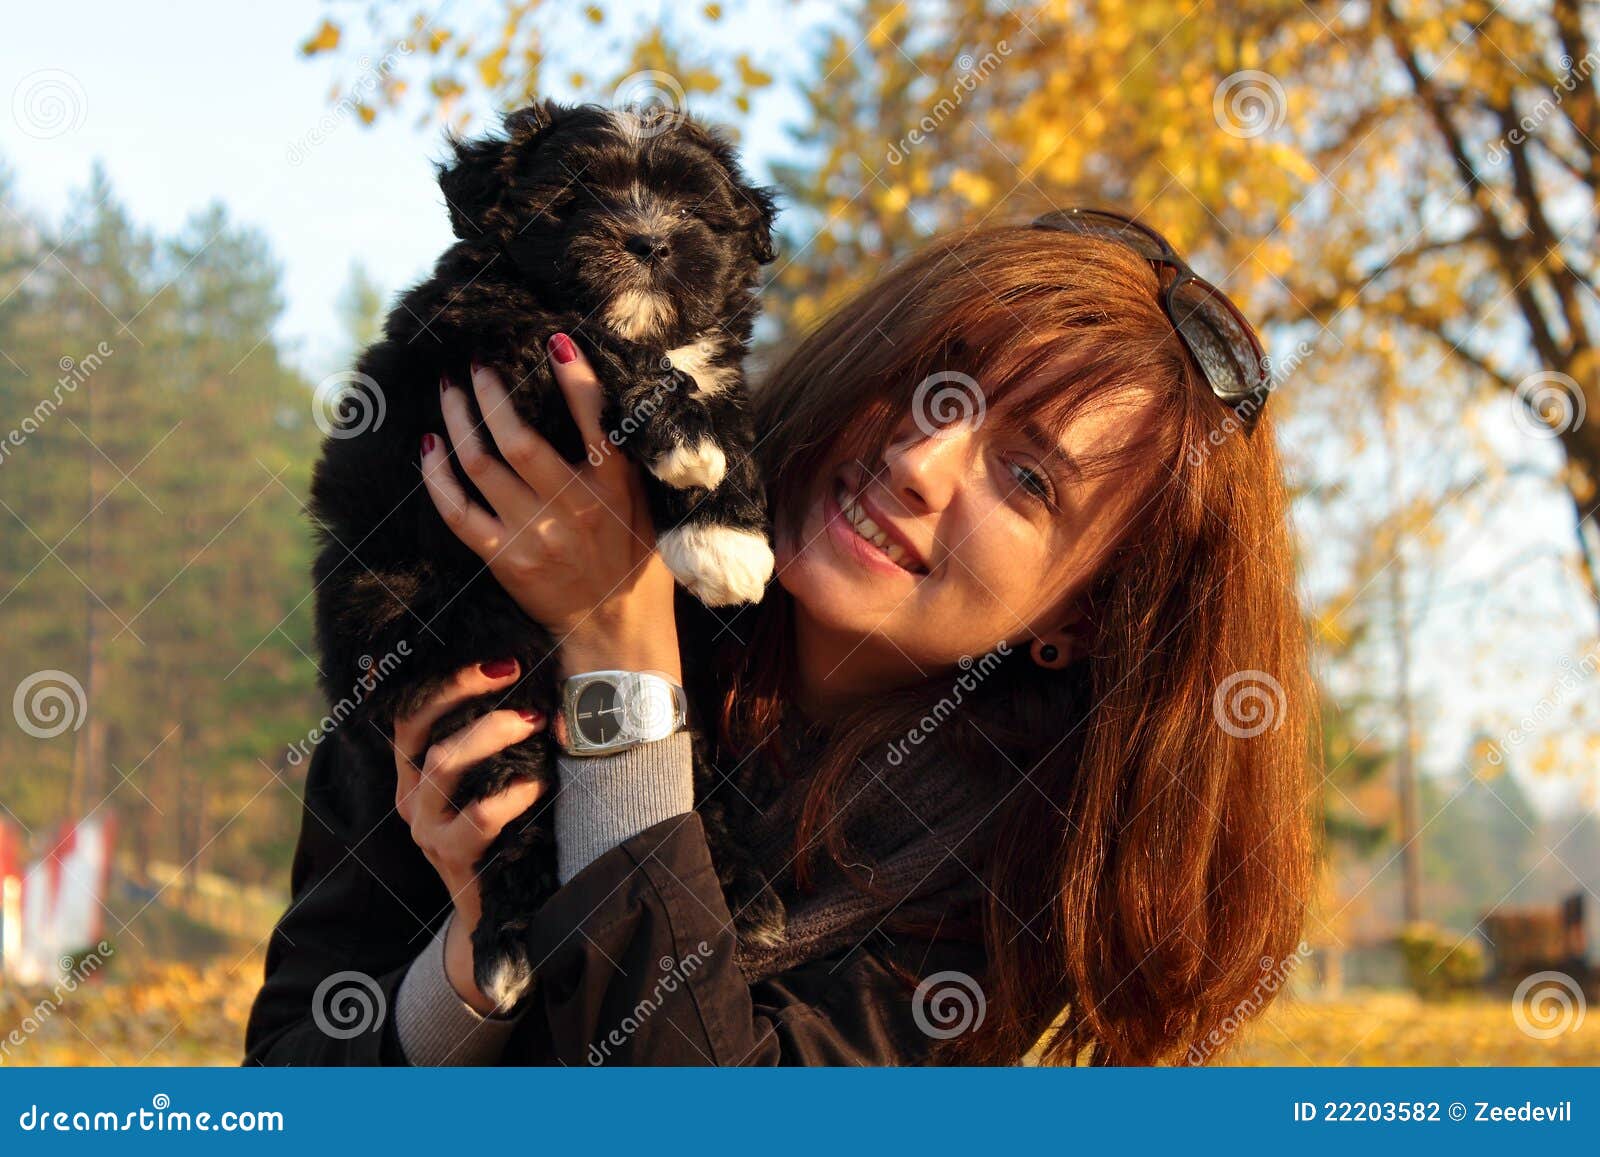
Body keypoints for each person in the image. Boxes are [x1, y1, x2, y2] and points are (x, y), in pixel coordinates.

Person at [245, 211, 1315, 1066]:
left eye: (1026, 476)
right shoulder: (486, 590)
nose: (921, 458)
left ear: (1079, 617)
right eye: (935, 381)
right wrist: (475, 968)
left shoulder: (1012, 877)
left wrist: (621, 658)